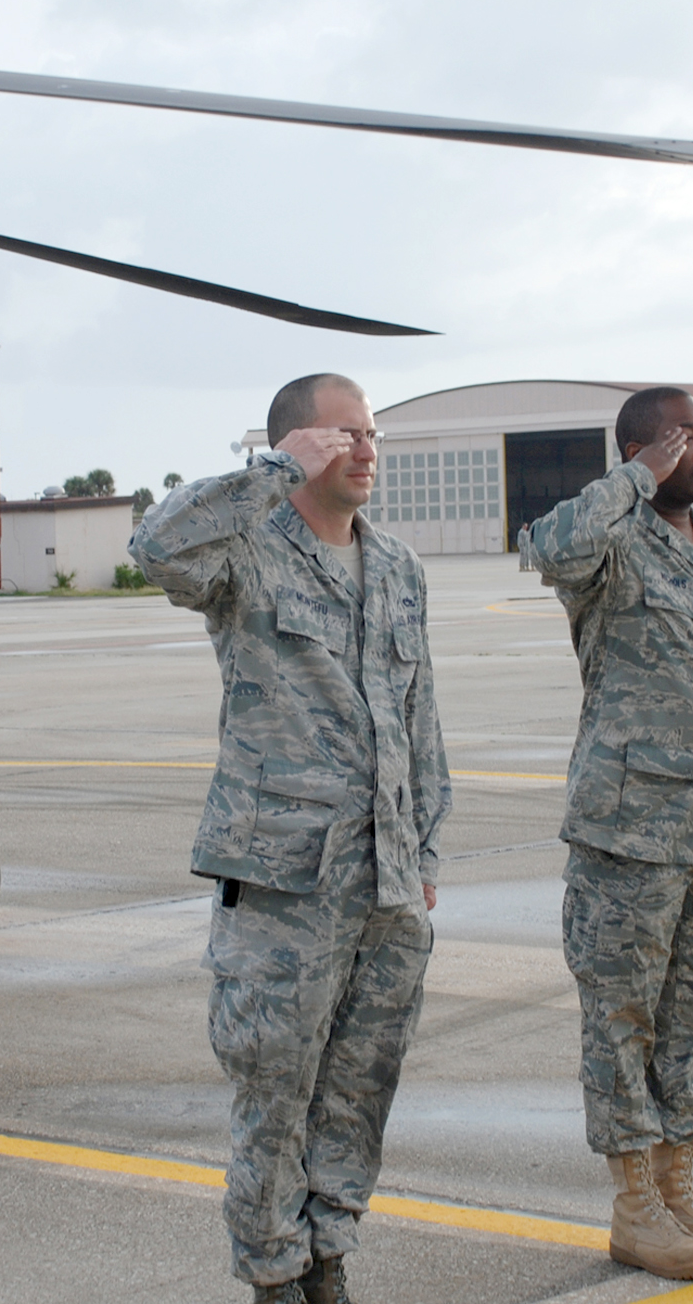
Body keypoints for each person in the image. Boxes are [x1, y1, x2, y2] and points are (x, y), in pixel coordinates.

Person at [131, 373, 449, 1304]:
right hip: (283, 878)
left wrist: (425, 853)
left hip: (386, 881)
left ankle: (330, 1254)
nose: (364, 448)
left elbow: (420, 717)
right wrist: (268, 472)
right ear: (293, 446)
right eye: (340, 434)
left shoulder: (397, 567)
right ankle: (274, 1271)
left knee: (360, 1082)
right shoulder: (246, 554)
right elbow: (154, 546)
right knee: (275, 1086)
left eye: (372, 433)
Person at [525, 386, 693, 1281]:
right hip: (630, 828)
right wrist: (636, 477)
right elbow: (546, 547)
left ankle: (678, 1186)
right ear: (640, 449)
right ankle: (633, 1202)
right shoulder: (610, 543)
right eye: (684, 437)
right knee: (623, 1018)